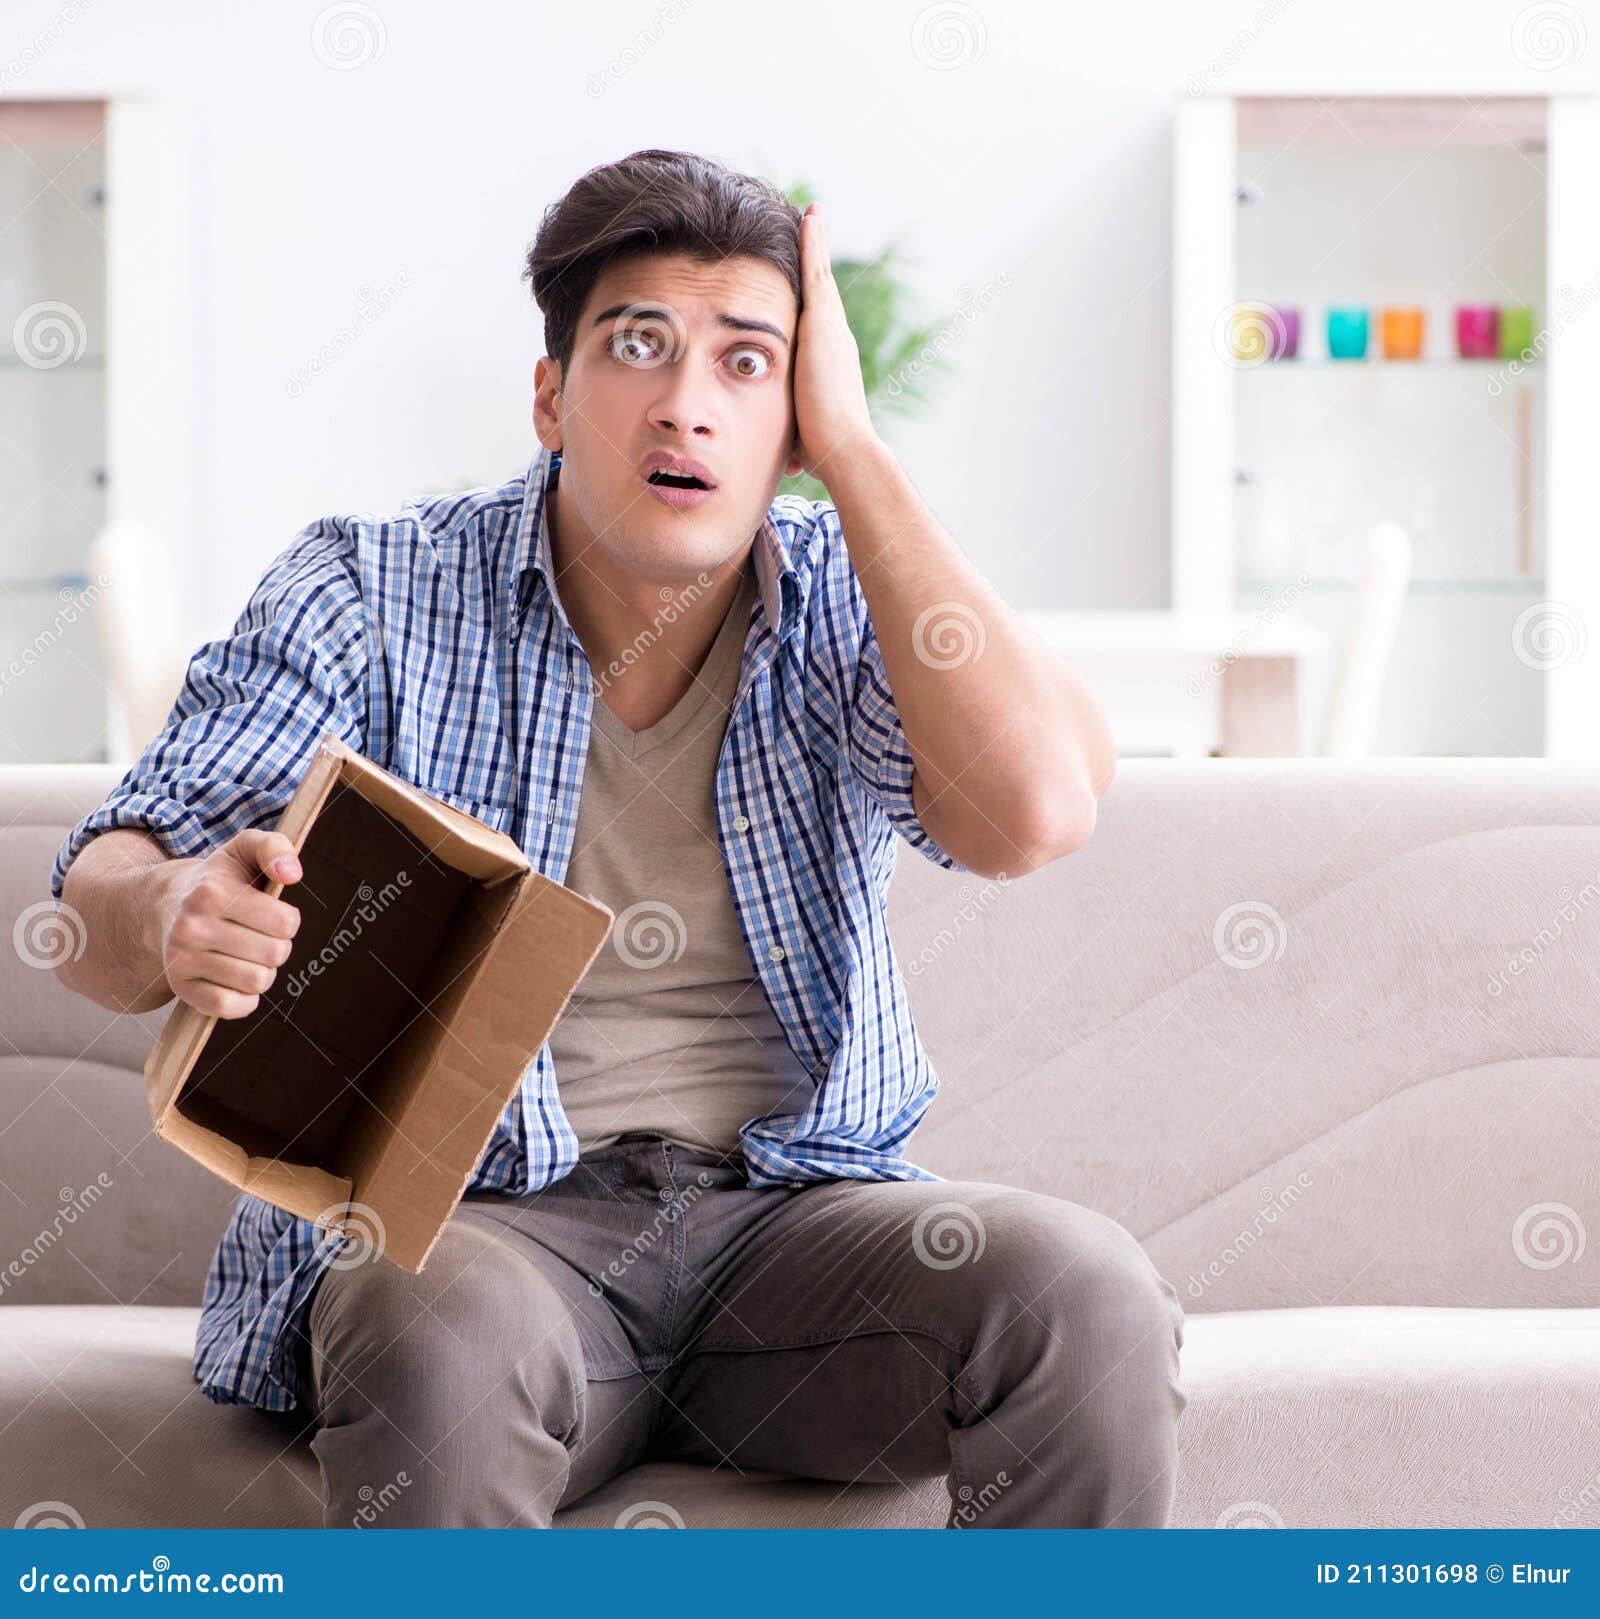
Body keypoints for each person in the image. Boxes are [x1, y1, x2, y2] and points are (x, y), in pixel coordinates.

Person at [51, 148, 1182, 1529]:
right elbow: (101, 899)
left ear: (800, 423)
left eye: (748, 364)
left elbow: (1035, 817)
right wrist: (171, 908)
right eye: (638, 345)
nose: (687, 406)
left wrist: (862, 460)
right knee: (439, 1322)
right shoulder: (372, 586)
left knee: (1084, 1291)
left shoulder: (834, 593)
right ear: (551, 394)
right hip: (488, 1234)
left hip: (793, 1231)